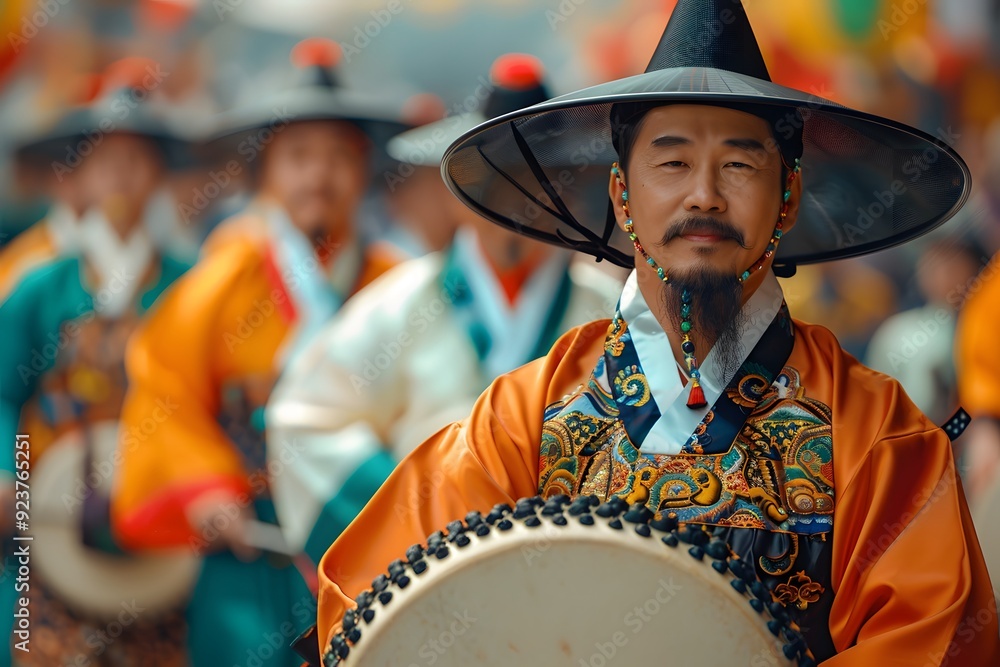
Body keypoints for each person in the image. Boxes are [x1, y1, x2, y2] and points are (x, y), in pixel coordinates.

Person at [310, 1, 999, 664]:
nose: (704, 193)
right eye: (671, 163)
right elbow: (379, 608)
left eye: (738, 164)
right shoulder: (521, 420)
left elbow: (933, 642)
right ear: (621, 195)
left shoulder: (876, 433)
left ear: (787, 197)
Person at [110, 39, 403, 667]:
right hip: (247, 542)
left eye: (337, 158)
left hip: (367, 539)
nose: (318, 176)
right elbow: (165, 385)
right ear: (266, 172)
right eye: (298, 157)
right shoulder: (225, 276)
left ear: (362, 172)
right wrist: (205, 487)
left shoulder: (396, 283)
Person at [265, 54, 622, 568]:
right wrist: (406, 512)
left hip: (573, 567)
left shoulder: (610, 311)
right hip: (427, 566)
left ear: (566, 192)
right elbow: (306, 421)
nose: (516, 204)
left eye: (539, 179)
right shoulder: (400, 301)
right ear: (458, 194)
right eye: (494, 181)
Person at [0, 63, 193, 666]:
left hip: (153, 515)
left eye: (137, 158)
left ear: (159, 172)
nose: (120, 171)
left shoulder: (188, 284)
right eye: (104, 157)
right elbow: (4, 391)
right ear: (78, 170)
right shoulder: (43, 285)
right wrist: (9, 474)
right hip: (52, 517)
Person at [867, 240, 984, 425]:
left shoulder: (983, 325)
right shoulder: (897, 331)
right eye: (934, 267)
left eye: (952, 267)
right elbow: (875, 399)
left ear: (972, 268)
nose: (943, 276)